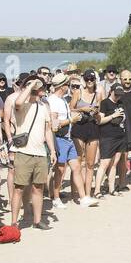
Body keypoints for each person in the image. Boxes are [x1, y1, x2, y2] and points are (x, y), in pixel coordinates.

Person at [11, 76, 56, 227]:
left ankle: (37, 220)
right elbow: (18, 102)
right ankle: (14, 222)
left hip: (40, 153)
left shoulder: (43, 106)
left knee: (38, 187)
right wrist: (30, 86)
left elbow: (47, 130)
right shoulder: (22, 105)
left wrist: (52, 150)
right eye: (39, 87)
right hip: (24, 152)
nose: (41, 88)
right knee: (19, 188)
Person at [48, 74, 81, 207]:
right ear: (62, 86)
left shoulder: (61, 100)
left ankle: (83, 197)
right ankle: (56, 197)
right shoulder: (54, 100)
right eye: (67, 84)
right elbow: (54, 124)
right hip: (59, 138)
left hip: (68, 138)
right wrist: (71, 120)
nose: (69, 87)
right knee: (60, 170)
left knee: (76, 166)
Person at [71, 71, 102, 205]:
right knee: (79, 162)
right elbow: (70, 109)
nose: (89, 80)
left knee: (90, 164)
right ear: (84, 80)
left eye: (92, 78)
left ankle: (88, 194)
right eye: (87, 78)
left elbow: (99, 112)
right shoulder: (78, 92)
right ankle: (76, 192)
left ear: (95, 80)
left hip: (93, 127)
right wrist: (83, 109)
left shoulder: (99, 94)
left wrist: (95, 112)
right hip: (79, 127)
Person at [96, 81, 129, 198]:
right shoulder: (105, 103)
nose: (118, 96)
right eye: (116, 94)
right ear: (111, 91)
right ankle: (97, 191)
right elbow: (99, 121)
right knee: (104, 164)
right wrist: (113, 116)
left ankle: (112, 188)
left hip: (120, 136)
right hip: (107, 136)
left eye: (120, 94)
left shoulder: (121, 103)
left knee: (114, 164)